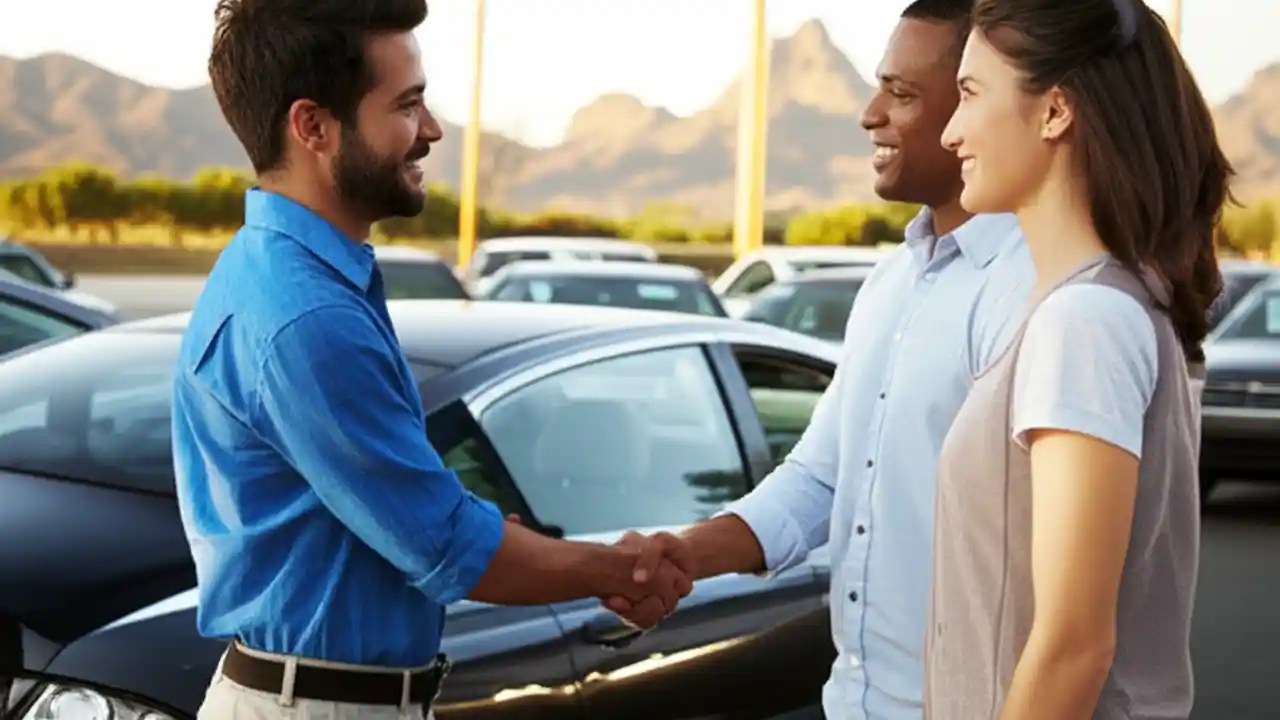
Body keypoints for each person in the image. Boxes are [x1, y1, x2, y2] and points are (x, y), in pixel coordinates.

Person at [171, 1, 691, 718]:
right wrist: (620, 570)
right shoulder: (307, 316)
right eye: (408, 105)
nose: (433, 130)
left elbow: (406, 507)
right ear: (313, 127)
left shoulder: (284, 273)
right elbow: (446, 544)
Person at [607, 1, 1036, 718]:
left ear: (973, 104)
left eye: (901, 94)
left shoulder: (1036, 290)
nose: (870, 115)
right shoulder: (888, 283)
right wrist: (683, 554)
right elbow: (820, 479)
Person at [924, 0, 1231, 718]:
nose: (950, 131)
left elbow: (1072, 645)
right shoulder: (1096, 304)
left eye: (970, 94)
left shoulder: (1084, 321)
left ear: (1056, 110)